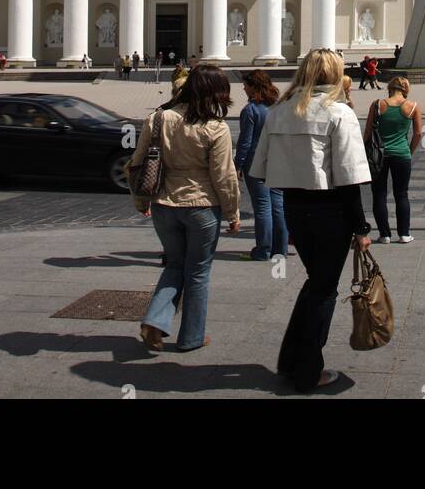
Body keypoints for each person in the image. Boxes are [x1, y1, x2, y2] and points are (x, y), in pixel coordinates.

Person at [249, 49, 372, 394]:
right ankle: (306, 371)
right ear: (335, 74)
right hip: (331, 212)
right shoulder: (339, 112)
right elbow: (349, 178)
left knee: (316, 283)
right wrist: (361, 227)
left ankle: (290, 358)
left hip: (294, 209)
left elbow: (259, 167)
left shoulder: (280, 111)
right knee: (323, 291)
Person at [135, 64, 240, 354]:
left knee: (175, 265)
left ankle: (155, 322)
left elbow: (138, 162)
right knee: (197, 272)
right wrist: (232, 213)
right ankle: (191, 336)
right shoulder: (215, 127)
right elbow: (224, 176)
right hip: (202, 207)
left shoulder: (158, 118)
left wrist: (141, 199)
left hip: (164, 206)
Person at [235, 70, 288, 262]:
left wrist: (238, 164)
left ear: (253, 87)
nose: (243, 88)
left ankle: (263, 249)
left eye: (246, 85)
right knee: (278, 205)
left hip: (255, 163)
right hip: (278, 161)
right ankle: (280, 248)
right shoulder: (279, 107)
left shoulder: (250, 110)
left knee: (262, 205)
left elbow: (245, 142)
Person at [363, 76, 422, 244]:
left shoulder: (377, 105)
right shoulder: (413, 106)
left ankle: (384, 234)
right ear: (405, 89)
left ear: (389, 87)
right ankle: (404, 234)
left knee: (379, 194)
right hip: (402, 154)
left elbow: (367, 133)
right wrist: (409, 151)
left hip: (379, 156)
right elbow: (418, 134)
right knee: (401, 194)